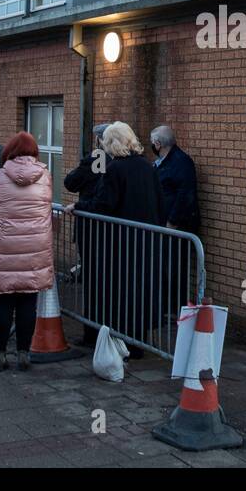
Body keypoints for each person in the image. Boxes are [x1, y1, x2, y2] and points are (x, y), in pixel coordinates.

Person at [68, 121, 166, 355]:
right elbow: (160, 203)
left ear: (111, 143)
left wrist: (79, 206)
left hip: (120, 242)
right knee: (138, 289)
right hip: (145, 239)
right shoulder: (147, 166)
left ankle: (120, 341)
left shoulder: (116, 169)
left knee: (120, 291)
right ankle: (138, 342)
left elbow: (104, 205)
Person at [0, 131, 54, 372]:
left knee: (3, 303)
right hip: (34, 249)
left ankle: (0, 353)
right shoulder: (45, 176)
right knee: (27, 303)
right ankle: (23, 353)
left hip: (2, 248)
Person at [64, 122, 111, 349]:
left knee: (93, 281)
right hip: (116, 232)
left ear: (100, 140)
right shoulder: (125, 161)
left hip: (92, 227)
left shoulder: (95, 160)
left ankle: (92, 332)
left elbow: (70, 182)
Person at [150, 125, 200, 232]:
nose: (152, 145)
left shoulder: (181, 162)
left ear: (158, 144)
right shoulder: (163, 161)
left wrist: (172, 221)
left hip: (177, 226)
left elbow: (185, 194)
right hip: (164, 221)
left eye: (152, 143)